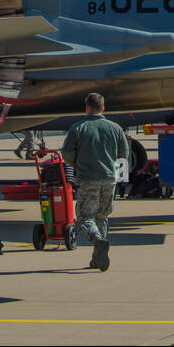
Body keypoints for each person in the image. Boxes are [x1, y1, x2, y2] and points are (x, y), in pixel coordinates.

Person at [62, 93, 129, 271]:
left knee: (85, 219)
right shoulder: (116, 128)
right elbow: (124, 155)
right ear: (103, 108)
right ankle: (97, 259)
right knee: (102, 217)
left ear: (87, 107)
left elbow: (67, 154)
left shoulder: (78, 128)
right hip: (110, 180)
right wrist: (120, 179)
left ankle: (98, 241)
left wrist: (77, 164)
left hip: (88, 179)